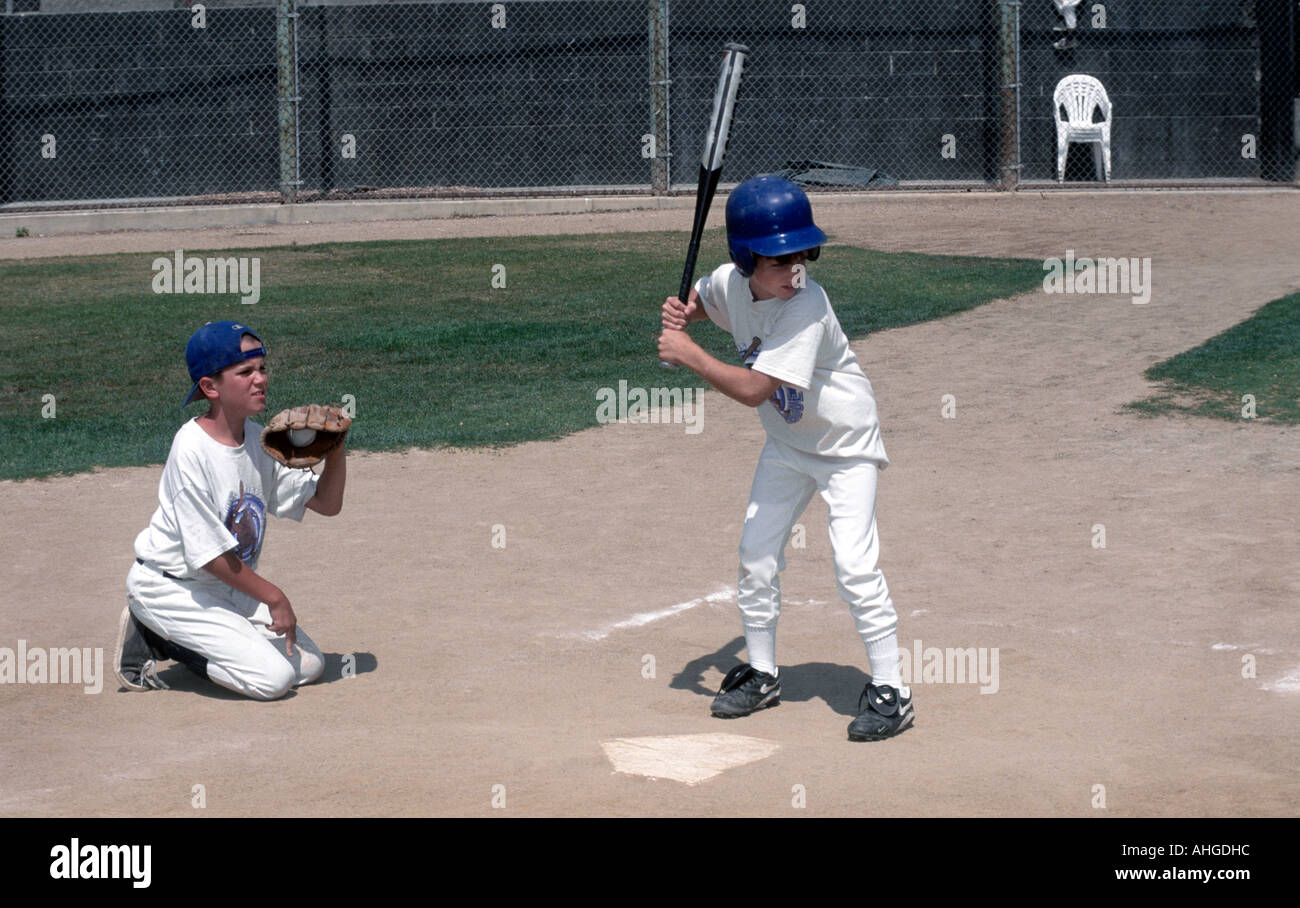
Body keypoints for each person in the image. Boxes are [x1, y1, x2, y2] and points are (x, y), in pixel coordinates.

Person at [657, 175, 912, 741]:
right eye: (778, 260)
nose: (795, 270)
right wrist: (683, 313)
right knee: (756, 552)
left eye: (803, 255)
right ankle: (765, 673)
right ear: (746, 260)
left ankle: (892, 690)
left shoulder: (807, 305)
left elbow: (752, 390)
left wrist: (690, 353)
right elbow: (706, 299)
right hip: (790, 444)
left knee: (853, 563)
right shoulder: (732, 282)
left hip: (846, 448)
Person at [115, 321, 347, 700]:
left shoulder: (259, 439)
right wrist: (274, 596)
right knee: (271, 681)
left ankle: (199, 636)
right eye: (245, 372)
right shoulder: (191, 448)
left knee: (309, 667)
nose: (261, 379)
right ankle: (154, 635)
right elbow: (209, 557)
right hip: (171, 586)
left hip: (225, 587)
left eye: (263, 369)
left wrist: (336, 452)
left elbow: (327, 503)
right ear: (210, 387)